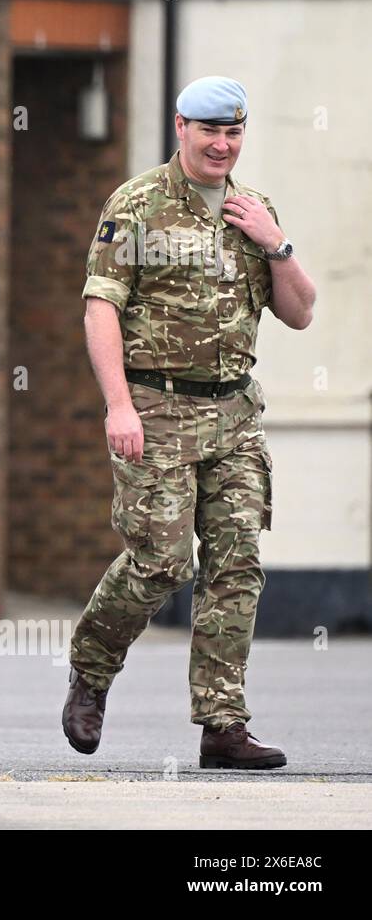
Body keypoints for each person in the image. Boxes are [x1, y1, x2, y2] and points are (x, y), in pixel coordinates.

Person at [63, 76, 316, 769]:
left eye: (233, 132)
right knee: (162, 560)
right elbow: (101, 307)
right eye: (209, 131)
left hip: (235, 410)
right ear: (182, 128)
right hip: (158, 407)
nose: (222, 144)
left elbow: (300, 311)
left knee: (238, 564)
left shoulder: (253, 209)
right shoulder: (139, 204)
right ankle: (91, 669)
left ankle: (223, 723)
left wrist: (277, 243)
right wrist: (118, 403)